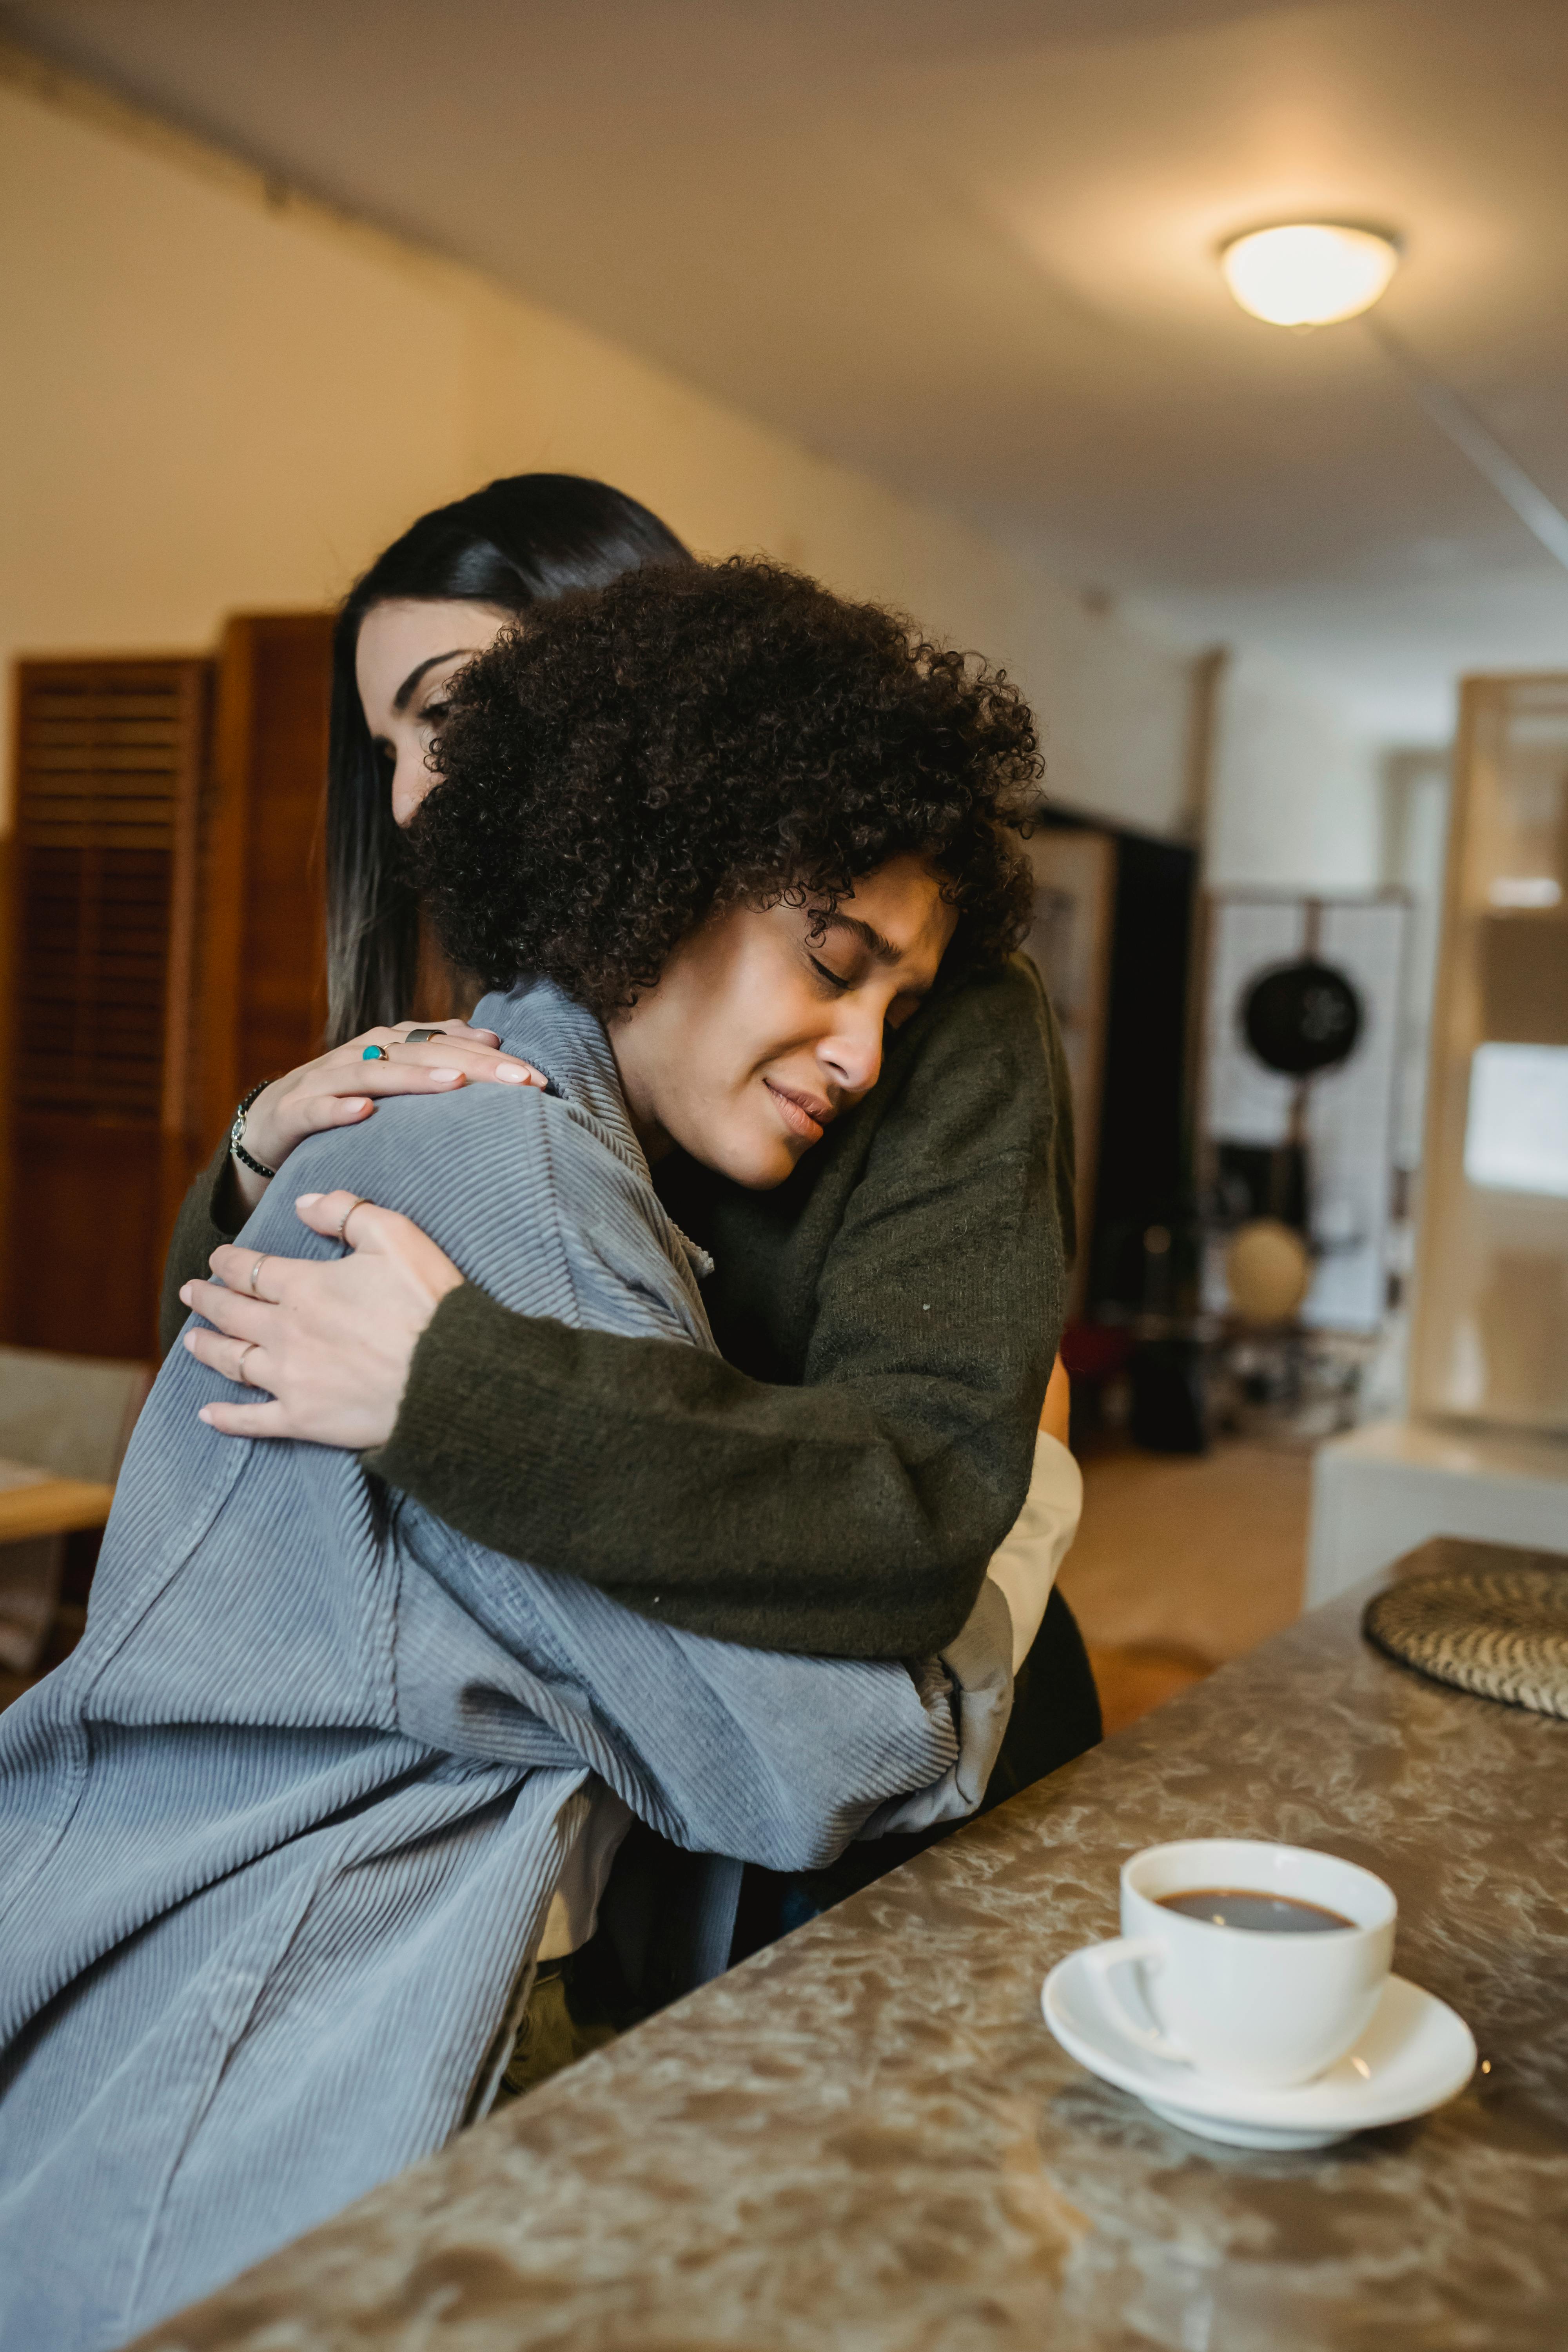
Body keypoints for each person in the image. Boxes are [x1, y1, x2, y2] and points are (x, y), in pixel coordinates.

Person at [2, 559, 1045, 2345]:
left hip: (111, 1899)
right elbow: (821, 1764)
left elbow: (919, 1483)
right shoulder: (521, 1169)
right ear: (659, 852)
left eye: (459, 712)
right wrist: (991, 1616)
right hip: (286, 1990)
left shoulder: (489, 1107)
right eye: (836, 966)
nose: (867, 1049)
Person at [160, 472, 1093, 2002]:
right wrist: (265, 1147)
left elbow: (913, 1514)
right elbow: (229, 1401)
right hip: (618, 1814)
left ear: (638, 719)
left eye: (447, 713)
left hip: (898, 1798)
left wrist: (454, 1394)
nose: (407, 795)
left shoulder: (942, 1029)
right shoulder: (497, 1048)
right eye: (385, 744)